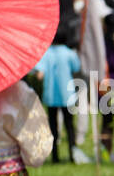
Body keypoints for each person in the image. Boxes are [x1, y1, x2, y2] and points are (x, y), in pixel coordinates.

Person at [33, 29, 82, 163]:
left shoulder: (47, 53)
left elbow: (39, 73)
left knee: (53, 127)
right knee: (70, 126)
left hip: (51, 95)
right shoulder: (69, 53)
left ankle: (55, 156)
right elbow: (77, 67)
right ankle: (73, 153)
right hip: (67, 94)